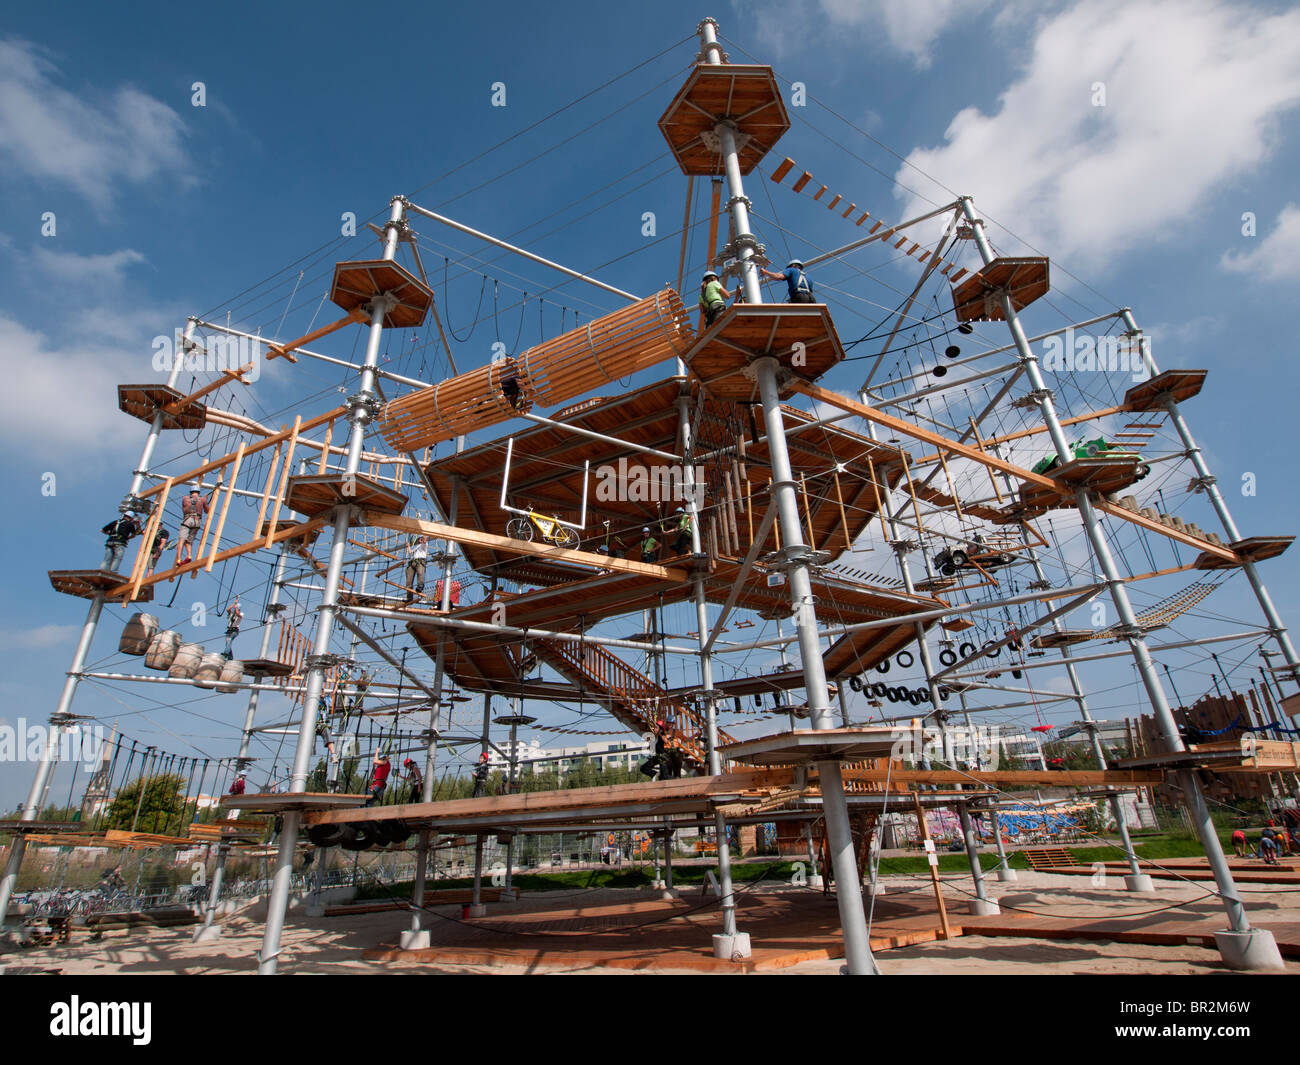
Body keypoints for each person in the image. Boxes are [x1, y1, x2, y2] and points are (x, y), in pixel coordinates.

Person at [175, 486, 216, 567]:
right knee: (189, 541)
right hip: (197, 522)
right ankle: (189, 556)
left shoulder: (185, 498)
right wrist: (205, 500)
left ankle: (179, 559)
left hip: (187, 520)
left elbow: (184, 509)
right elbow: (207, 511)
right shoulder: (202, 499)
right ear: (199, 492)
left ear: (191, 492)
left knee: (181, 540)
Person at [404, 535, 428, 603]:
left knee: (420, 573)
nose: (420, 540)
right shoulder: (415, 547)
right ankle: (409, 597)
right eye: (419, 539)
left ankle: (420, 587)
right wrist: (408, 547)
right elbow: (411, 553)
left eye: (421, 539)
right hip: (412, 563)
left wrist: (424, 535)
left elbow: (425, 540)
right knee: (408, 581)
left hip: (419, 562)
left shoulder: (423, 545)